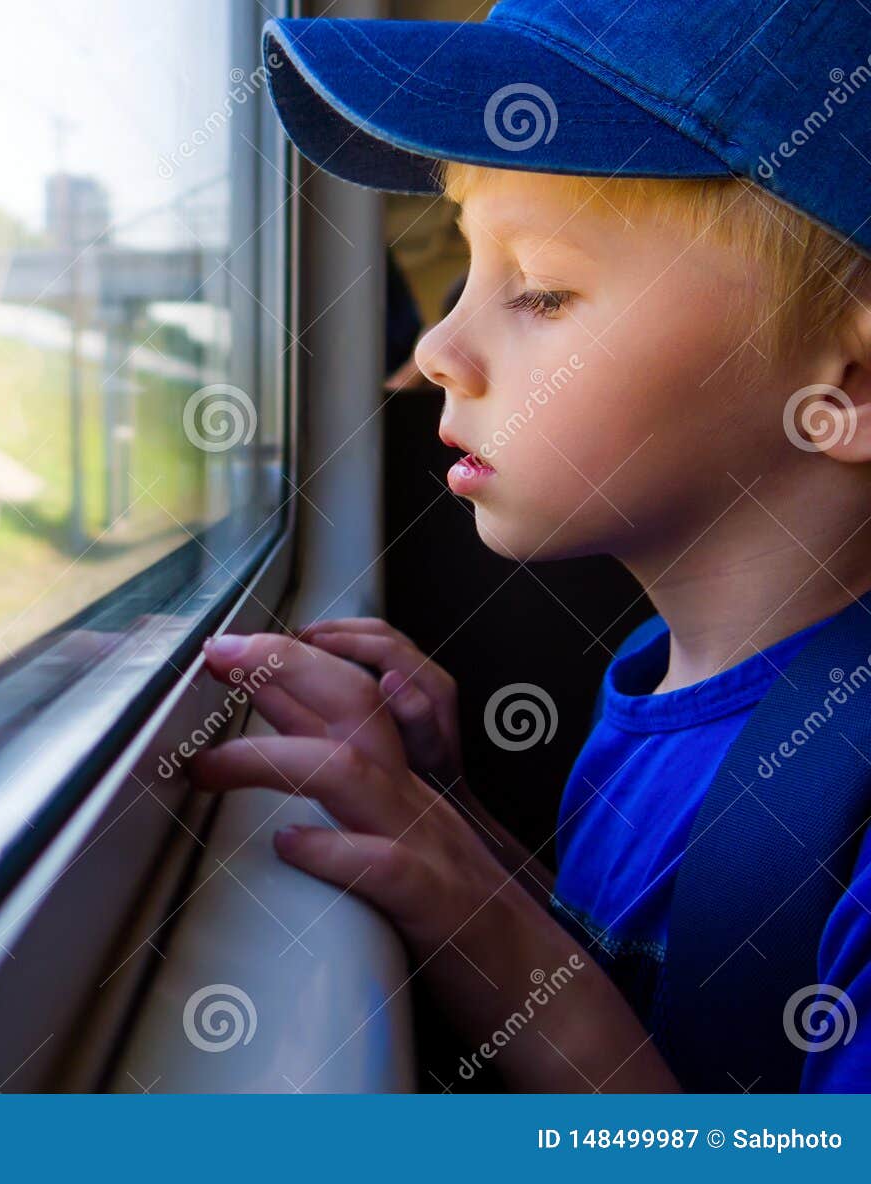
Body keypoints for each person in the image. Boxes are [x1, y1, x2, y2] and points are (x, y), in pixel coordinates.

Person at [188, 0, 871, 1091]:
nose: (439, 346)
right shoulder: (664, 677)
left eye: (542, 291)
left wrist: (498, 948)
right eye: (465, 269)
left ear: (850, 385)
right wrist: (449, 821)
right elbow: (673, 992)